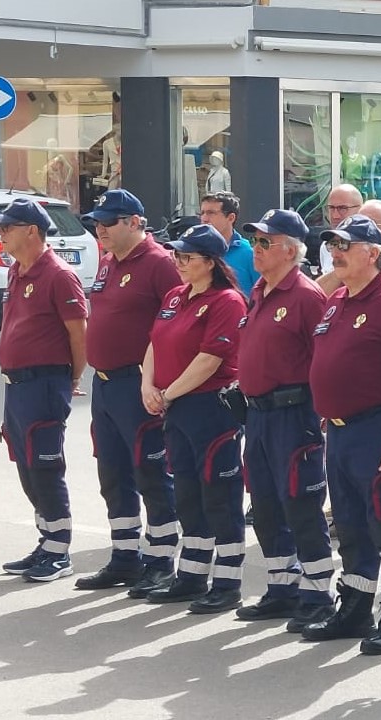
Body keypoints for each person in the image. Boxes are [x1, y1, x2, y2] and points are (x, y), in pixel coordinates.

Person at [301, 216, 381, 655]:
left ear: (372, 254)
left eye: (345, 246)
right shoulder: (337, 301)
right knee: (351, 526)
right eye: (333, 245)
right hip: (339, 435)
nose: (335, 252)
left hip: (377, 430)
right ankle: (355, 606)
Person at [232, 208, 336, 631]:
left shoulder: (306, 296)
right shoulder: (260, 289)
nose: (256, 249)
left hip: (294, 415)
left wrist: (321, 414)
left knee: (301, 504)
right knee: (267, 506)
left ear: (291, 251)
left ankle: (317, 592)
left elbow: (323, 360)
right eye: (254, 241)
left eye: (265, 242)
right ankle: (282, 586)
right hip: (258, 416)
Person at [74, 189, 182, 594]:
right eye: (97, 221)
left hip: (138, 385)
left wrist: (157, 384)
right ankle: (124, 557)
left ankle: (160, 558)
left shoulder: (159, 264)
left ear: (135, 222)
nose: (100, 228)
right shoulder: (107, 261)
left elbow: (175, 324)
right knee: (113, 473)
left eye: (109, 221)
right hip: (105, 386)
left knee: (151, 472)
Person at [141, 224, 249, 612]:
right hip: (176, 407)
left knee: (219, 494)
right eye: (177, 256)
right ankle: (190, 574)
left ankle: (227, 581)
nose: (179, 263)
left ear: (211, 262)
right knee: (187, 492)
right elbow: (155, 342)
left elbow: (210, 360)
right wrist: (147, 386)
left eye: (187, 258)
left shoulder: (227, 301)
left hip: (208, 407)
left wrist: (166, 394)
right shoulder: (175, 296)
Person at [0, 198, 88, 582]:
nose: (0, 233)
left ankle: (60, 551)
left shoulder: (58, 274)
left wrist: (72, 378)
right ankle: (46, 540)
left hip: (44, 383)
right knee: (28, 468)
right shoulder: (17, 271)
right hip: (17, 387)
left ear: (32, 231)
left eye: (7, 227)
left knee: (45, 467)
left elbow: (78, 335)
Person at [199, 191, 259, 297]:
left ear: (231, 218)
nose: (204, 218)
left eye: (211, 213)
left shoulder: (249, 253)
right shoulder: (195, 251)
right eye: (202, 213)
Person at [316, 184, 365, 284]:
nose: (335, 215)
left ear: (360, 209)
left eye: (342, 208)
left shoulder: (378, 245)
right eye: (331, 208)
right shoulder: (326, 246)